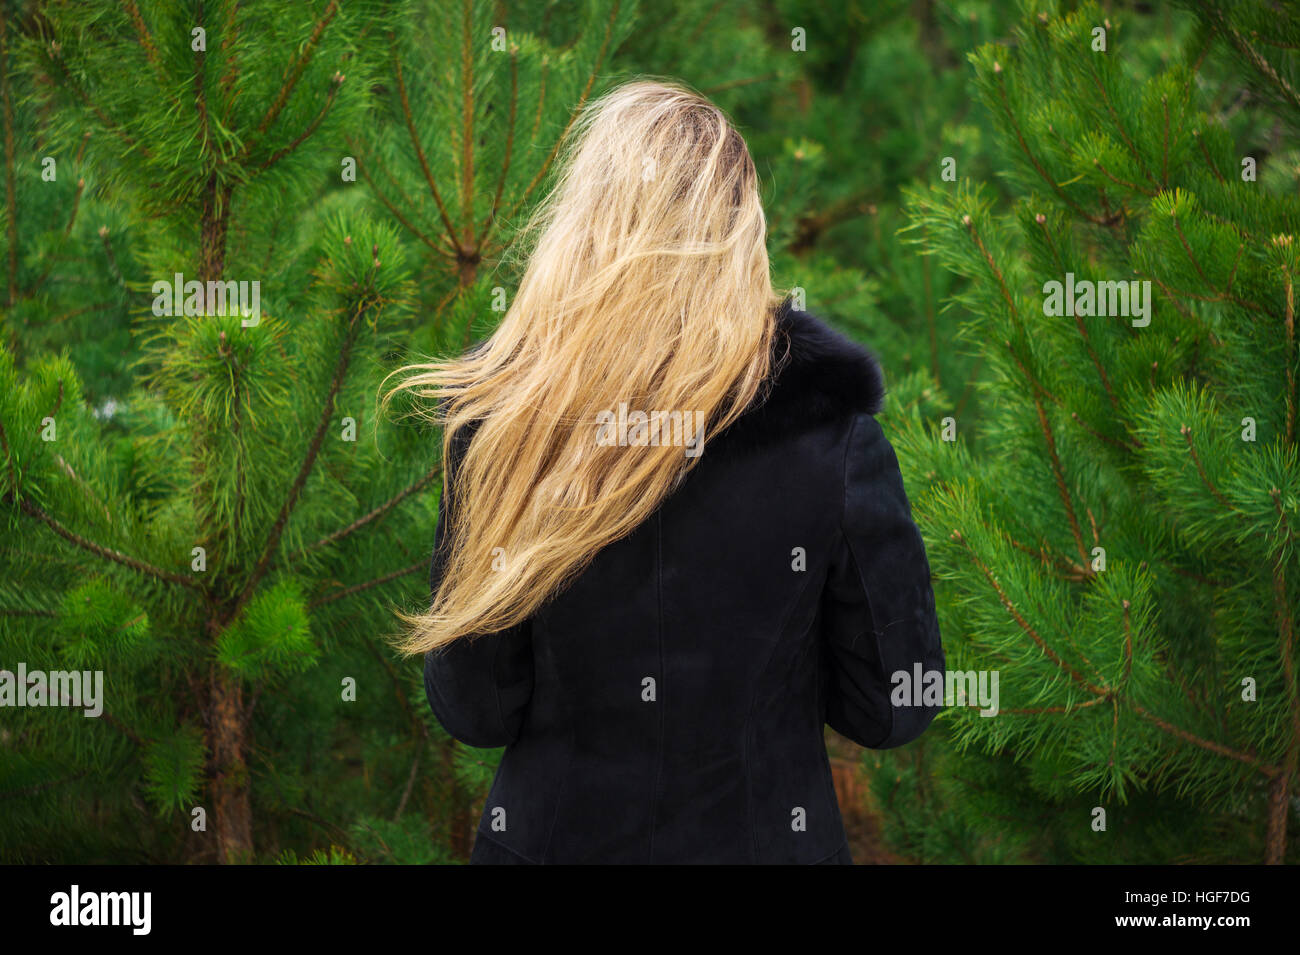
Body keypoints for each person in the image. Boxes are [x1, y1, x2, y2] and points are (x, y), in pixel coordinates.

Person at [386, 79, 944, 864]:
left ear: (582, 226)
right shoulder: (831, 437)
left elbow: (477, 709)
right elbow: (894, 706)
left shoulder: (502, 426)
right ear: (741, 232)